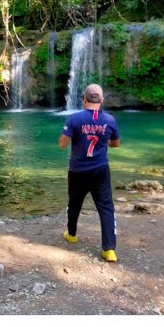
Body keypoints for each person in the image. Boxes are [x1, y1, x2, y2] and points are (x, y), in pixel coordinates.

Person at [58, 84, 121, 262]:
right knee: (106, 207)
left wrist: (73, 137)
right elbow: (115, 144)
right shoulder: (110, 120)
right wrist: (103, 142)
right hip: (100, 169)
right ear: (101, 100)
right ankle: (109, 250)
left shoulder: (74, 118)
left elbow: (62, 144)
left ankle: (71, 234)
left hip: (77, 170)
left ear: (84, 99)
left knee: (74, 203)